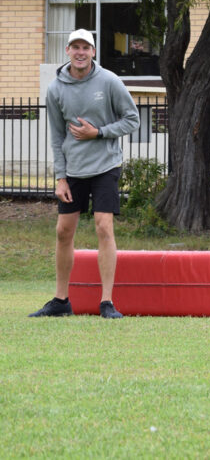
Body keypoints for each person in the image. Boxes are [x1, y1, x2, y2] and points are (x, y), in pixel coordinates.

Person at [30, 28, 140, 319]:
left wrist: (99, 132)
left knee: (104, 227)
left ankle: (106, 302)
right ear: (67, 51)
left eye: (86, 47)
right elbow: (56, 136)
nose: (80, 52)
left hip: (106, 165)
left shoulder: (109, 81)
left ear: (93, 52)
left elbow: (133, 119)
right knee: (63, 232)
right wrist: (61, 177)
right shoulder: (55, 88)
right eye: (75, 47)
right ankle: (61, 300)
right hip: (73, 170)